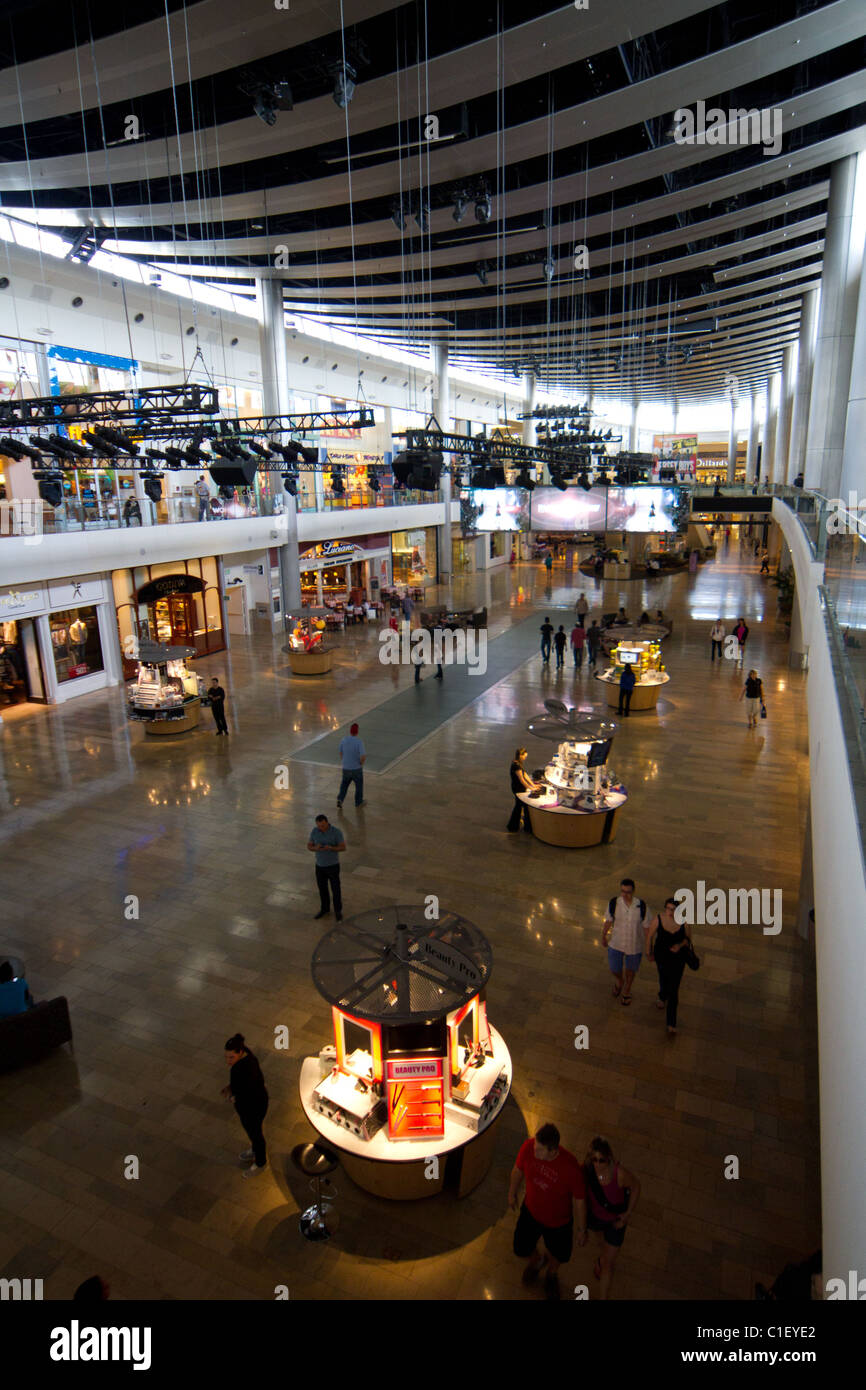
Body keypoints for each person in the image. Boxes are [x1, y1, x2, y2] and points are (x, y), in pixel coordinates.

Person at [509, 1122, 587, 1301]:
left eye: (540, 1150)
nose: (534, 1152)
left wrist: (582, 1230)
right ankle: (536, 1261)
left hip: (559, 1222)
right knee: (520, 1247)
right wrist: (511, 1193)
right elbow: (518, 1169)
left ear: (553, 1150)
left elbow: (580, 1201)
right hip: (530, 1211)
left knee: (559, 1254)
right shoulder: (529, 1147)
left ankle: (551, 1275)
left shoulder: (570, 1167)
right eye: (535, 1147)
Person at [583, 1136, 640, 1300]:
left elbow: (636, 1187)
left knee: (608, 1264)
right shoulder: (588, 1171)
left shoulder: (619, 1174)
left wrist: (627, 1215)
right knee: (602, 1245)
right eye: (594, 1159)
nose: (597, 1164)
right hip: (596, 1219)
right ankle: (603, 1259)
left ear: (608, 1159)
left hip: (615, 1222)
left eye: (601, 1160)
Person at [222, 1033, 269, 1177]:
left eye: (231, 1057)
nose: (228, 1061)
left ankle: (260, 1162)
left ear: (240, 1052)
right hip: (253, 1104)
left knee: (255, 1133)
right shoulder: (246, 1057)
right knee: (253, 1132)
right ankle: (255, 1149)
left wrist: (233, 1097)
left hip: (253, 1107)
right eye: (227, 1057)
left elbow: (248, 1089)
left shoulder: (245, 1067)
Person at [648, 897, 694, 1035]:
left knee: (674, 990)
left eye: (673, 910)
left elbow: (688, 940)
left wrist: (679, 945)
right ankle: (662, 996)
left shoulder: (684, 923)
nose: (670, 912)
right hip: (662, 957)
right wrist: (648, 951)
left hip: (677, 960)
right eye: (668, 908)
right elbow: (649, 935)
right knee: (663, 979)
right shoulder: (658, 919)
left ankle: (671, 1023)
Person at [602, 877, 648, 1006]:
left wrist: (649, 946)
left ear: (633, 891)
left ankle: (627, 989)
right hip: (616, 943)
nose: (625, 894)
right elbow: (608, 920)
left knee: (631, 970)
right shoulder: (614, 903)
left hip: (634, 945)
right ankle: (619, 981)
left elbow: (647, 927)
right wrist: (603, 935)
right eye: (622, 891)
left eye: (628, 892)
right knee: (614, 968)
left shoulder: (641, 906)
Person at [308, 814, 345, 920]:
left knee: (336, 889)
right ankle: (325, 909)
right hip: (320, 866)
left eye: (323, 825)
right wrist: (316, 848)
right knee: (322, 889)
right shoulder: (315, 831)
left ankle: (338, 911)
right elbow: (309, 846)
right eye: (319, 826)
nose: (321, 828)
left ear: (327, 822)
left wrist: (331, 848)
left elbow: (343, 847)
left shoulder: (336, 832)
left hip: (333, 866)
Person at [507, 747, 540, 833]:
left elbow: (525, 775)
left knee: (521, 806)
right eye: (524, 756)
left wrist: (533, 785)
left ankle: (516, 826)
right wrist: (532, 788)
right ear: (520, 755)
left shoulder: (518, 763)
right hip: (518, 789)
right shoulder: (516, 766)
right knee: (520, 807)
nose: (525, 758)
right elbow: (522, 780)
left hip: (518, 788)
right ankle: (520, 827)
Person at [337, 722, 366, 809]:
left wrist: (344, 761)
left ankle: (340, 799)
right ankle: (358, 802)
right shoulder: (359, 742)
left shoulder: (344, 740)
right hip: (356, 769)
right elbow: (363, 756)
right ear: (357, 732)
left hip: (346, 768)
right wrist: (360, 763)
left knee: (344, 785)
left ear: (350, 731)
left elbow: (341, 752)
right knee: (358, 786)